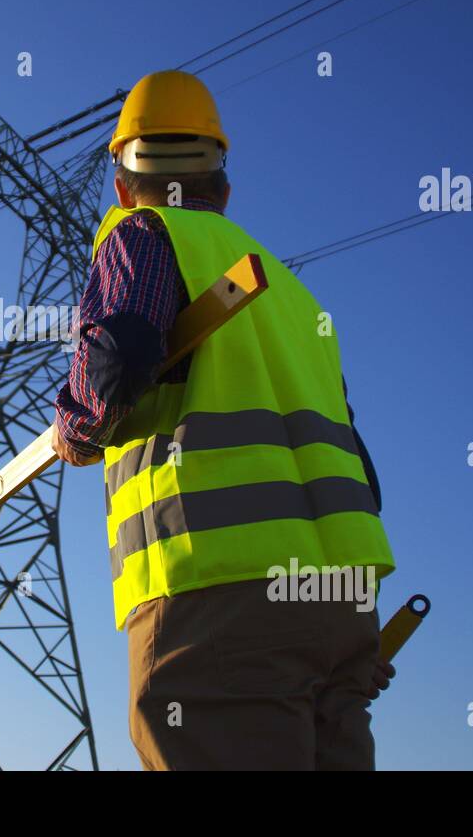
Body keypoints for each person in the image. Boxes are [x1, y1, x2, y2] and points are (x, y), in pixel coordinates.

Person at [52, 70, 397, 770]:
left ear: (121, 186)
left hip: (220, 597)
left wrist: (75, 432)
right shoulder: (295, 296)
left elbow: (117, 361)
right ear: (225, 191)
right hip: (340, 603)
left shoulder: (144, 233)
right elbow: (358, 465)